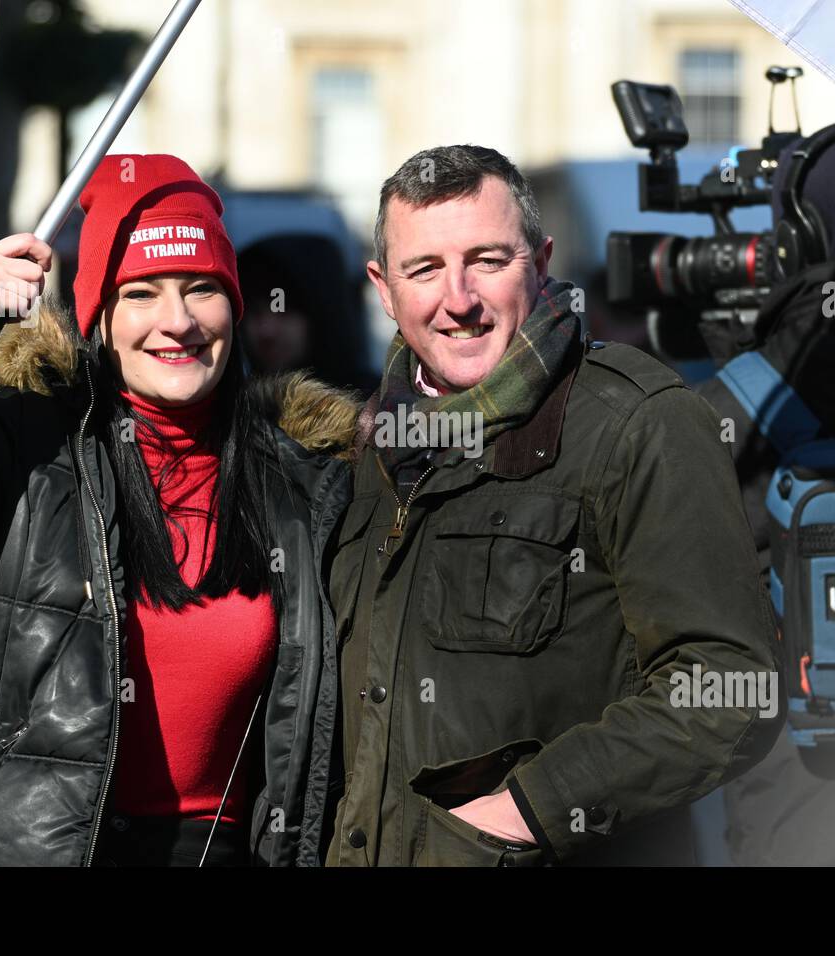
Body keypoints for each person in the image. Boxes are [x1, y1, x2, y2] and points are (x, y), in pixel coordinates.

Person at [0, 154, 360, 866]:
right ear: (100, 318)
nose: (177, 322)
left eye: (201, 288)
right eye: (141, 293)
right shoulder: (28, 440)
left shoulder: (303, 481)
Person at [324, 144, 784, 866]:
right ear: (383, 287)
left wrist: (524, 814)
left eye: (487, 260)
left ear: (539, 261)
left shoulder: (637, 421)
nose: (459, 299)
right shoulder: (354, 452)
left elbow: (729, 687)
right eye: (425, 269)